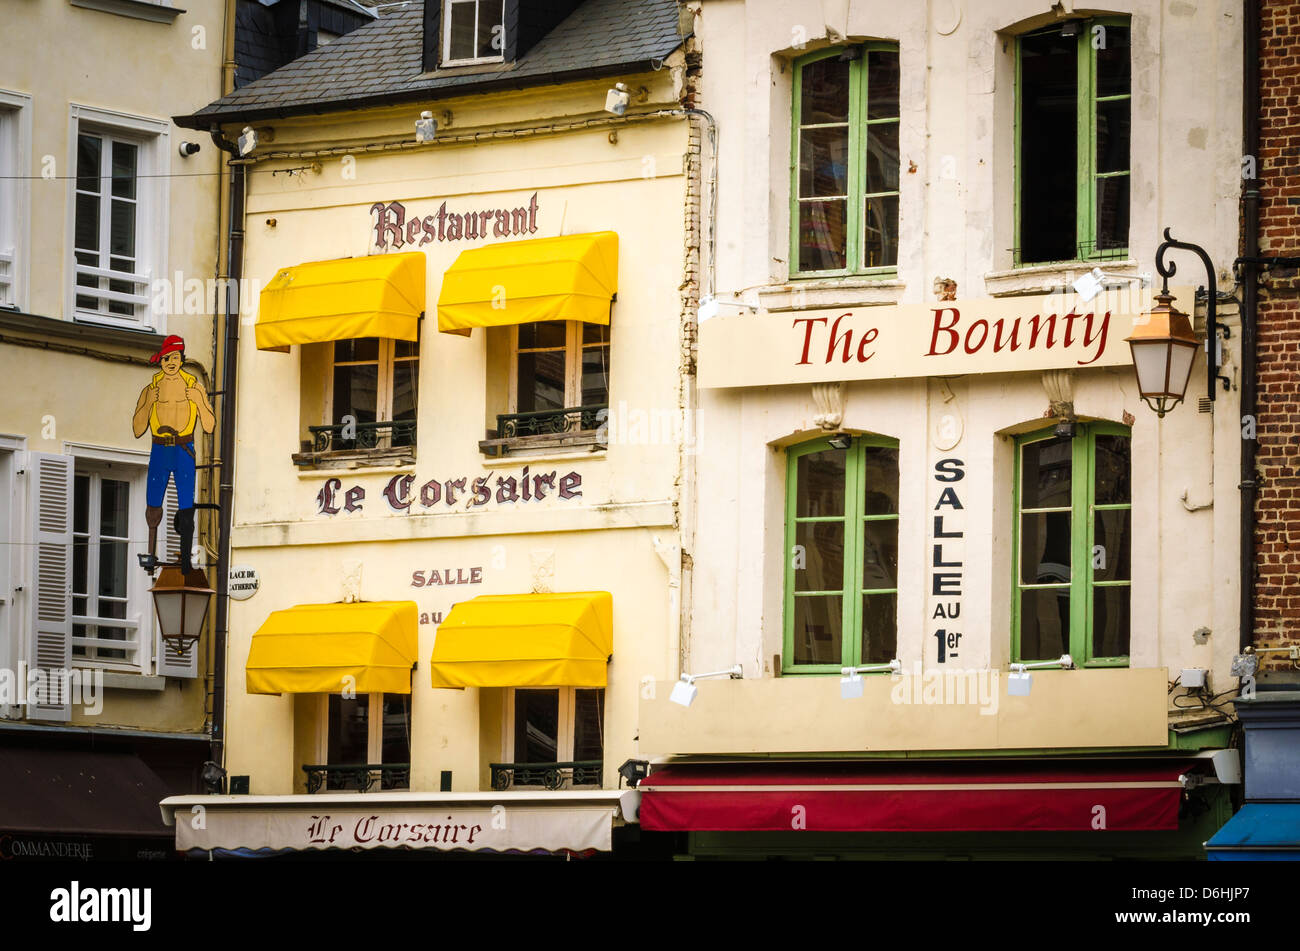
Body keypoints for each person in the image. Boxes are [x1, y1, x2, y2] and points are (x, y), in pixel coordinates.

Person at [132, 335, 215, 572]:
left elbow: (209, 426)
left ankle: (186, 559)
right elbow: (138, 428)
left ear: (181, 359)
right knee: (153, 501)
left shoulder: (194, 386)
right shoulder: (151, 389)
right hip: (159, 448)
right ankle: (150, 554)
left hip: (184, 448)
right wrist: (148, 404)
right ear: (161, 361)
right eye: (166, 357)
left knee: (186, 504)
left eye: (175, 357)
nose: (171, 362)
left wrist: (199, 401)